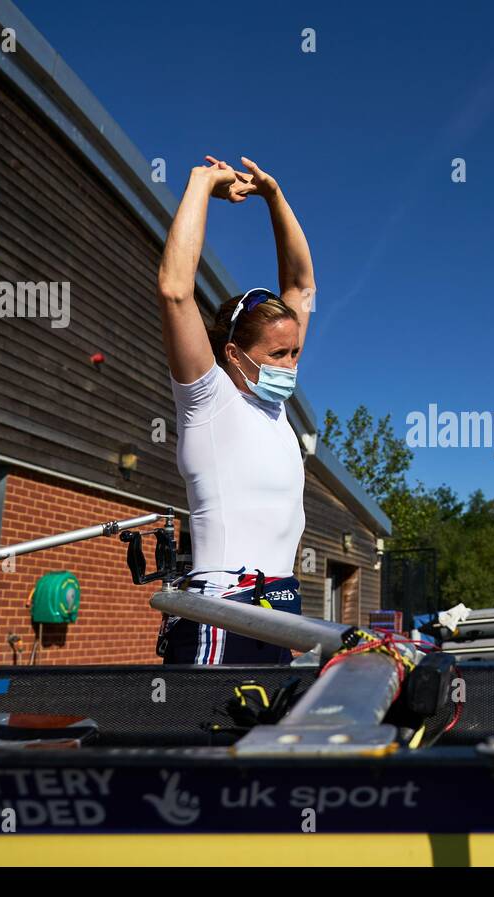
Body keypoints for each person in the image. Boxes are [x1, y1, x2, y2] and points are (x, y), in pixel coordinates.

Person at [155, 155, 315, 664]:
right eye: (278, 354)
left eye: (294, 353)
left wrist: (275, 198)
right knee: (211, 743)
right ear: (233, 354)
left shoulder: (276, 409)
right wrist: (203, 184)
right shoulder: (209, 400)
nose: (291, 364)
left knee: (262, 742)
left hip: (278, 607)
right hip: (222, 609)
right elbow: (175, 291)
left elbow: (302, 286)